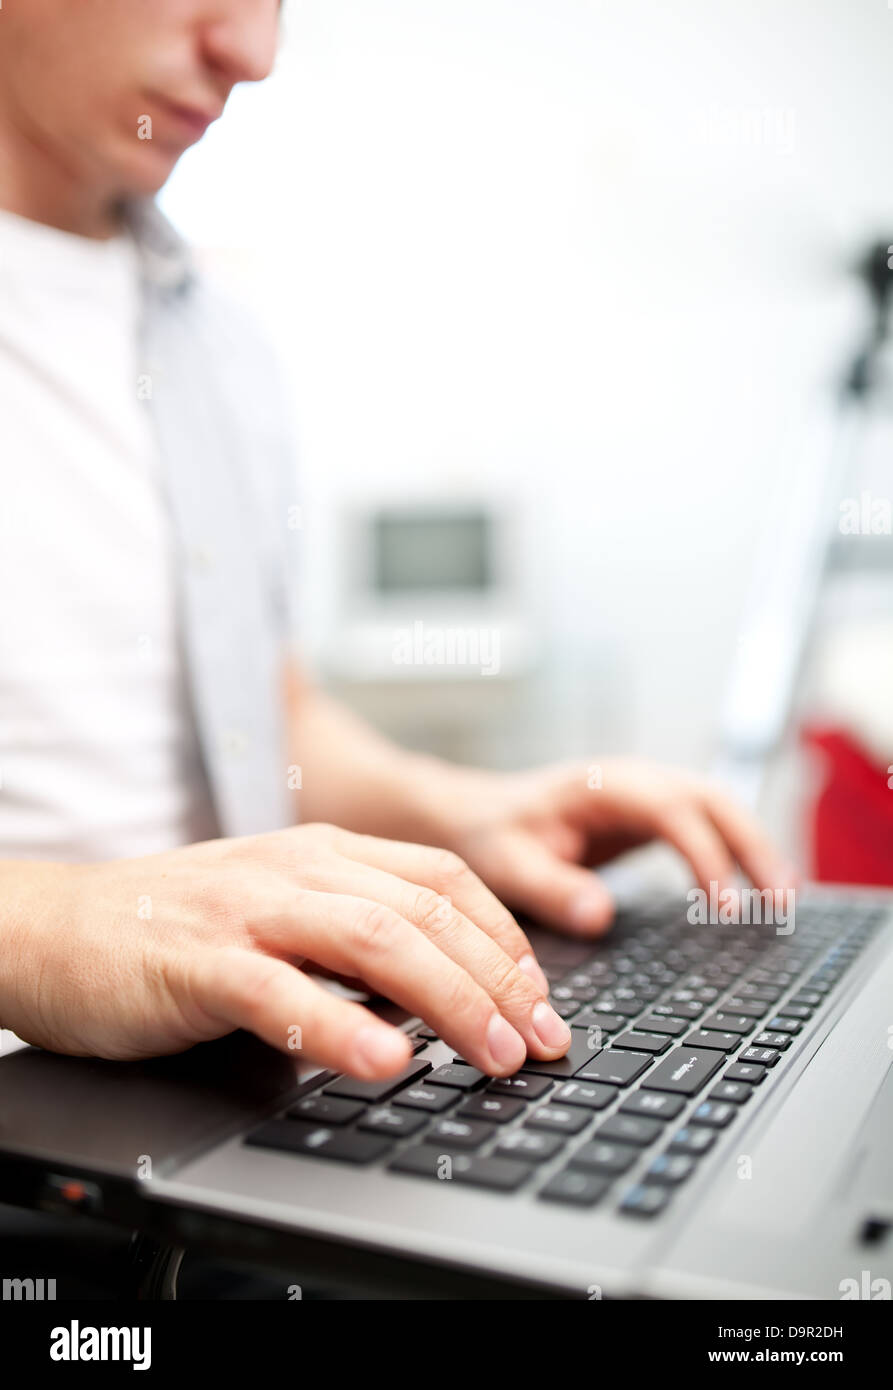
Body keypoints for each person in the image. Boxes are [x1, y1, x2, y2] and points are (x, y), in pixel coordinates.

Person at [0, 0, 792, 1083]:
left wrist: (461, 809)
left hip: (235, 1107)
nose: (253, 53)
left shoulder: (217, 348)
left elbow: (269, 723)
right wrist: (51, 926)